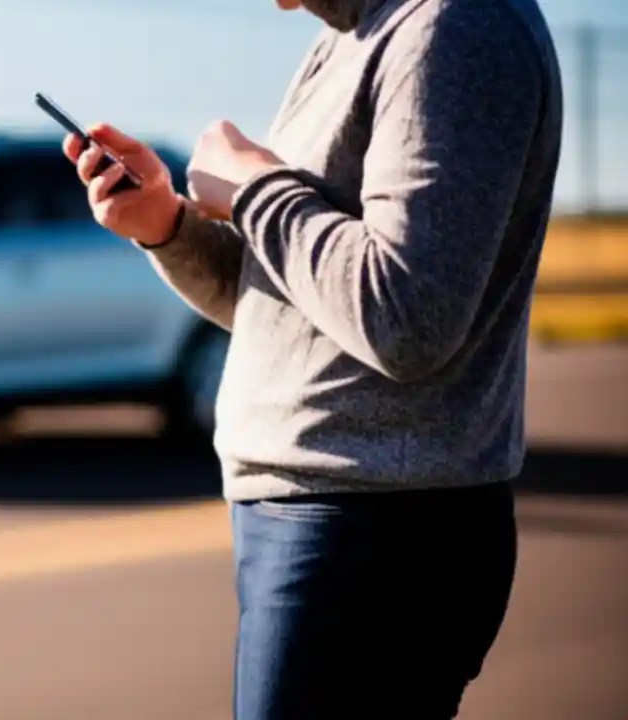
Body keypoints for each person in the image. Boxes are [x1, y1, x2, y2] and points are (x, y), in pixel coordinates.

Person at [63, 0, 562, 717]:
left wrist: (257, 191)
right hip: (326, 519)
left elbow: (408, 318)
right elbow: (293, 304)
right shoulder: (353, 35)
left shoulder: (457, 27)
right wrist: (168, 226)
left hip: (372, 533)